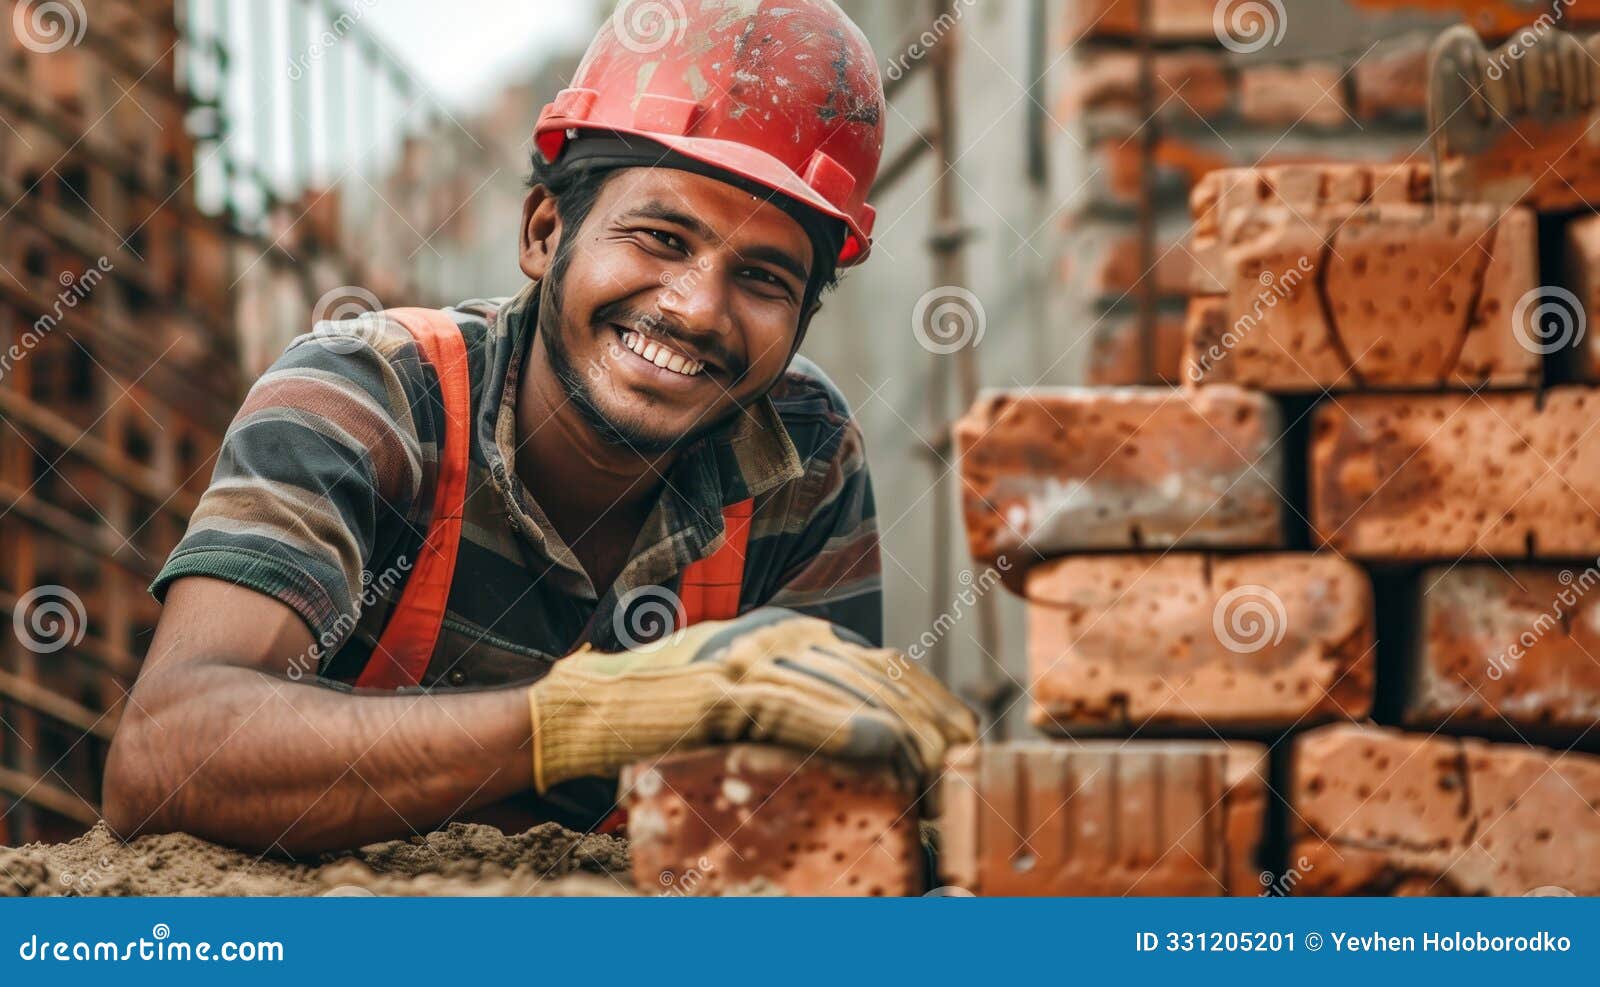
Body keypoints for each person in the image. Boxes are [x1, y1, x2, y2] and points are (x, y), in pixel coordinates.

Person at [102, 0, 976, 854]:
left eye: (764, 278)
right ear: (545, 230)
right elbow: (164, 758)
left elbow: (822, 834)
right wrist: (587, 715)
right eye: (662, 238)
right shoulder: (368, 396)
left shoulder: (801, 457)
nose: (698, 308)